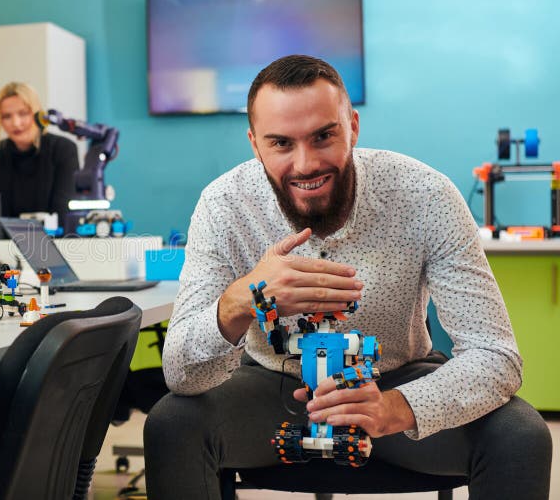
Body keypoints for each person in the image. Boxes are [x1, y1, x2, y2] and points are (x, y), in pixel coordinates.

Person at [144, 55, 552, 499]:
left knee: (521, 435)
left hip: (397, 380)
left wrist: (395, 408)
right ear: (255, 144)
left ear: (353, 126)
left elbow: (496, 357)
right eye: (281, 143)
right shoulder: (224, 205)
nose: (305, 165)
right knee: (172, 423)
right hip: (273, 386)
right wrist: (243, 299)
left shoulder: (426, 195)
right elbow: (181, 373)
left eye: (324, 136)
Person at [0, 82, 79, 222]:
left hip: (54, 240)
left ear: (38, 114)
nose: (16, 123)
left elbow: (63, 213)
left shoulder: (63, 149)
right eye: (7, 116)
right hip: (7, 242)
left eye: (23, 113)